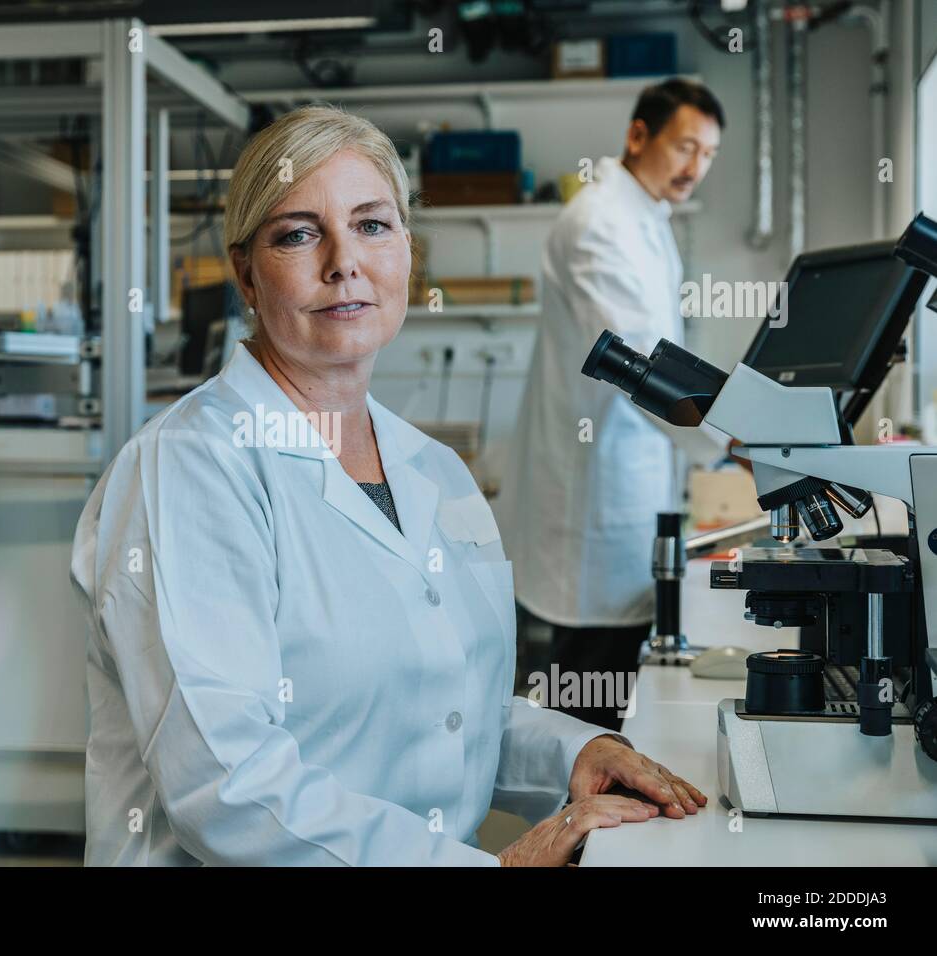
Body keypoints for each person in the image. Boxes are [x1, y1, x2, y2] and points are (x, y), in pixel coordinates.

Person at [70, 105, 705, 867]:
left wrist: (576, 751)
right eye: (298, 234)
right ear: (245, 272)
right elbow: (229, 785)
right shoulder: (189, 468)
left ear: (409, 251)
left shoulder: (431, 468)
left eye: (372, 225)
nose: (344, 261)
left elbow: (446, 703)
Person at [503, 79, 728, 731]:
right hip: (595, 502)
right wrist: (736, 444)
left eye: (709, 153)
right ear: (638, 136)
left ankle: (586, 821)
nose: (696, 166)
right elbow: (640, 362)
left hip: (627, 485)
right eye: (686, 145)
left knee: (607, 695)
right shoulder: (600, 220)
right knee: (585, 706)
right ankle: (570, 831)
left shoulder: (644, 218)